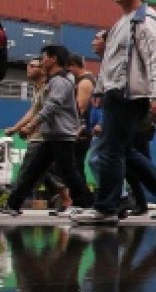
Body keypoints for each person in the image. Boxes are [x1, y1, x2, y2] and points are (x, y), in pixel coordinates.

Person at [73, 0, 156, 226]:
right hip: (116, 93)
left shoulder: (144, 21)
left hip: (130, 95)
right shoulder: (121, 23)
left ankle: (107, 208)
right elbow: (112, 61)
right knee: (121, 150)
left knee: (110, 150)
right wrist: (100, 89)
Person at [1, 45, 94, 216]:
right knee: (34, 170)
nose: (42, 61)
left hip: (61, 134)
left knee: (67, 171)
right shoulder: (57, 80)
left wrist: (32, 125)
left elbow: (52, 106)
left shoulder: (60, 81)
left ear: (53, 59)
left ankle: (84, 204)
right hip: (53, 134)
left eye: (44, 57)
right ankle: (13, 205)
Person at [66, 53, 97, 187]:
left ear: (73, 65)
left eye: (68, 69)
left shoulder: (85, 82)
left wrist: (73, 128)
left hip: (82, 129)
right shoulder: (82, 80)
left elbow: (80, 108)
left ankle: (82, 196)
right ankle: (81, 195)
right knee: (75, 164)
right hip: (81, 128)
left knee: (76, 164)